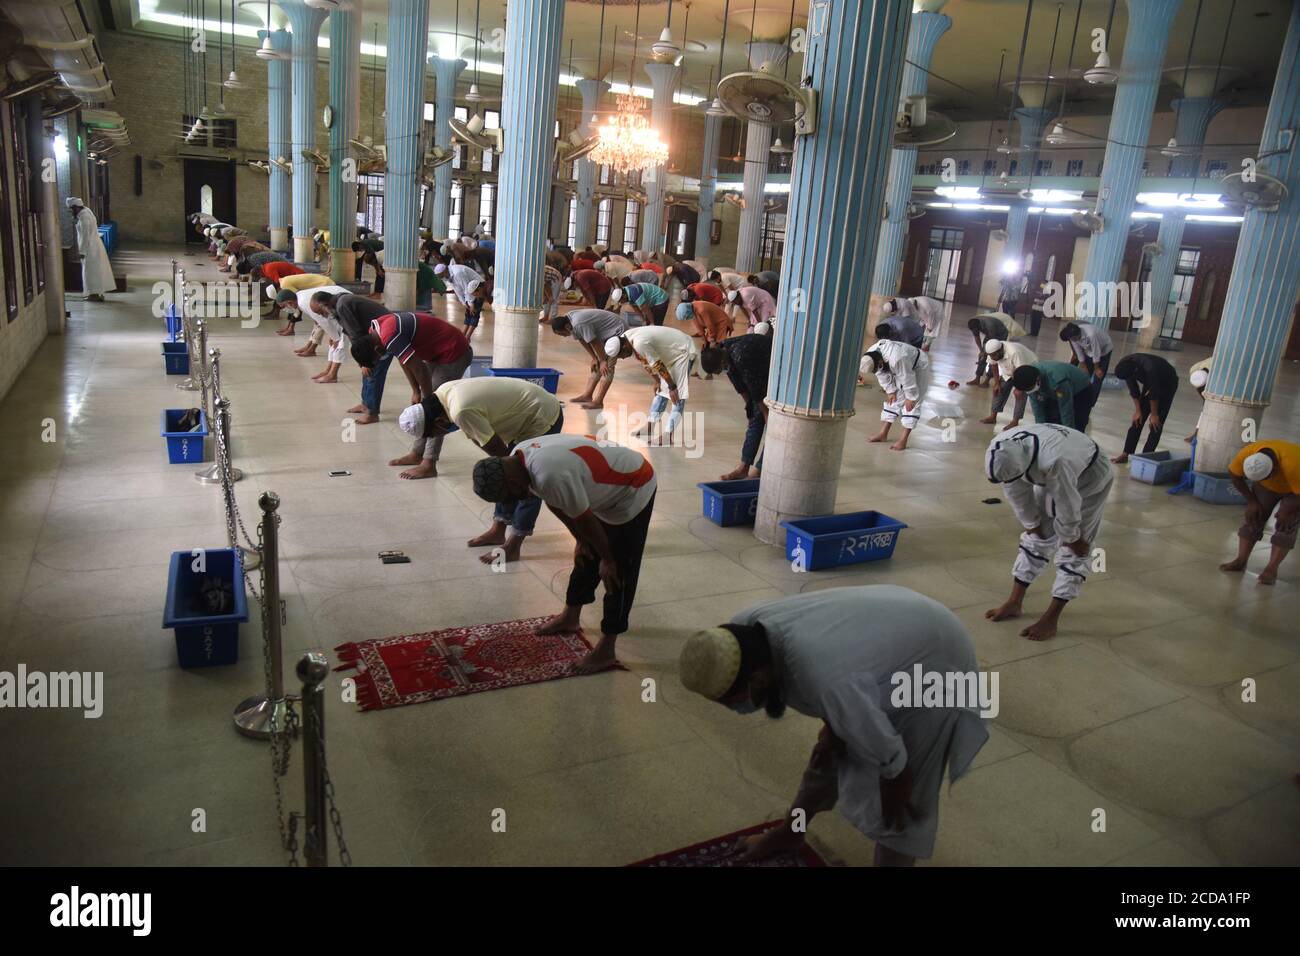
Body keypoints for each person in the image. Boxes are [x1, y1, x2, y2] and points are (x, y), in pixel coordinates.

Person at [678, 586, 988, 866]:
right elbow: (837, 690)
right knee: (824, 760)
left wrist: (895, 782)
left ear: (758, 679)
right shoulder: (742, 632)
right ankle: (791, 832)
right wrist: (834, 731)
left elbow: (893, 762)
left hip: (936, 662)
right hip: (886, 633)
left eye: (734, 700)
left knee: (899, 812)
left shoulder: (823, 678)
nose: (735, 708)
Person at [471, 433, 656, 674]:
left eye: (511, 498)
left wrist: (608, 559)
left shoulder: (548, 474)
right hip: (602, 487)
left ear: (514, 484)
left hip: (632, 486)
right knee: (586, 552)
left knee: (618, 571)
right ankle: (571, 617)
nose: (517, 501)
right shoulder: (522, 457)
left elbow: (586, 519)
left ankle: (607, 648)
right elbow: (554, 501)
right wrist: (579, 539)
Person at [400, 378, 563, 564]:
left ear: (438, 421)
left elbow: (498, 451)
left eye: (433, 433)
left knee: (527, 478)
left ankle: (514, 545)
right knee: (504, 473)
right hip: (523, 414)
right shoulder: (443, 393)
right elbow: (481, 438)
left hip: (541, 415)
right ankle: (498, 530)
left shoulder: (460, 411)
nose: (436, 436)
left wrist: (513, 471)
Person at [984, 424, 1114, 640]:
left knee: (1076, 549)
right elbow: (1014, 488)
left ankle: (1051, 618)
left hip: (1090, 474)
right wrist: (1031, 524)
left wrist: (1072, 538)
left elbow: (1067, 504)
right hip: (1046, 466)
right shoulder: (1001, 449)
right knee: (1036, 537)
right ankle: (1014, 602)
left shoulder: (1056, 462)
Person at [351, 310, 472, 477]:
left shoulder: (389, 335)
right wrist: (416, 390)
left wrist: (429, 402)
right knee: (425, 405)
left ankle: (429, 463)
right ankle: (417, 454)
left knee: (437, 408)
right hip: (436, 352)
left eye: (377, 360)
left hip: (454, 352)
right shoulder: (375, 332)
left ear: (378, 350)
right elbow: (404, 359)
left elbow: (419, 369)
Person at [1220, 441, 1299, 586]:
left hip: (1296, 491)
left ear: (1275, 468)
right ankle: (1241, 560)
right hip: (1266, 487)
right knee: (1253, 516)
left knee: (1286, 524)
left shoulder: (1294, 464)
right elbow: (1234, 474)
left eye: (1267, 476)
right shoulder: (1247, 454)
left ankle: (1271, 568)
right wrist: (1251, 501)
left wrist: (1288, 511)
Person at [606, 324, 697, 443]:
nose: (622, 358)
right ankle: (649, 428)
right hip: (669, 353)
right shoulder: (625, 339)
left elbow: (657, 364)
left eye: (621, 355)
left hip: (682, 350)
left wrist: (672, 386)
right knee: (661, 391)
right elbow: (644, 361)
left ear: (624, 346)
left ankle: (667, 436)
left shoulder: (639, 343)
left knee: (677, 395)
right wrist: (658, 381)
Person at [311, 291, 392, 423]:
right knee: (367, 372)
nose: (323, 316)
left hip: (386, 336)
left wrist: (365, 362)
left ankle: (372, 413)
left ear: (325, 304)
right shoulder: (339, 304)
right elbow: (350, 332)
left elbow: (357, 335)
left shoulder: (343, 305)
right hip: (373, 338)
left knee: (373, 372)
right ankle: (366, 404)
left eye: (321, 312)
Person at [701, 331, 772, 480]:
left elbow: (755, 390)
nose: (719, 373)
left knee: (772, 425)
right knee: (755, 419)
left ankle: (759, 469)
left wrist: (766, 414)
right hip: (759, 374)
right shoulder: (724, 351)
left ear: (721, 363)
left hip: (774, 371)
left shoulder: (740, 355)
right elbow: (740, 386)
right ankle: (743, 467)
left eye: (718, 371)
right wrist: (750, 409)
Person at [550, 308, 642, 409]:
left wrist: (602, 361)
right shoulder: (569, 320)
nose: (562, 336)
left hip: (617, 330)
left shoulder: (578, 323)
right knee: (597, 364)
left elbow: (595, 343)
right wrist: (594, 358)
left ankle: (599, 401)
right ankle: (587, 395)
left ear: (566, 327)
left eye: (561, 333)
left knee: (607, 367)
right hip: (606, 333)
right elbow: (582, 339)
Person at [860, 339, 931, 451]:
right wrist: (890, 391)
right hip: (901, 365)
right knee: (894, 399)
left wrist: (910, 397)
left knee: (912, 404)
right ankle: (883, 434)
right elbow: (880, 373)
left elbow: (907, 378)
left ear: (879, 362)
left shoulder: (897, 358)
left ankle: (903, 440)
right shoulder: (871, 355)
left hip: (918, 364)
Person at [1111, 353, 1179, 464]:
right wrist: (1138, 410)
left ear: (1135, 370)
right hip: (1150, 383)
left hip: (1168, 383)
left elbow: (1153, 393)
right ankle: (1126, 453)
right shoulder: (1125, 365)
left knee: (1156, 424)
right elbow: (1134, 390)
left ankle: (1145, 457)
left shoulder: (1150, 368)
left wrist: (1154, 414)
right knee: (1137, 420)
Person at [280, 285, 350, 382]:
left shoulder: (304, 303)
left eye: (283, 306)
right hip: (334, 305)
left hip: (344, 304)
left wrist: (335, 337)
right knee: (334, 342)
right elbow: (323, 320)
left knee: (341, 341)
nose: (284, 309)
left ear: (290, 302)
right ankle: (328, 371)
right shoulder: (300, 298)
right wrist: (333, 336)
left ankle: (333, 375)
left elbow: (324, 320)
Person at [1011, 361, 1095, 433]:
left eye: (1030, 389)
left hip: (1081, 390)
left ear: (1037, 380)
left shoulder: (1057, 381)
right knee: (1051, 420)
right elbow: (1037, 408)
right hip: (1051, 390)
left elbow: (1066, 409)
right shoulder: (1028, 380)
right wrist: (1040, 430)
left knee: (1077, 424)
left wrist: (1069, 434)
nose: (1030, 392)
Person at [979, 339, 1037, 428]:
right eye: (991, 356)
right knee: (999, 389)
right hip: (1010, 368)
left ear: (1000, 350)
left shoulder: (1014, 352)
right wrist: (997, 383)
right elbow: (993, 365)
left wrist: (1019, 389)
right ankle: (993, 417)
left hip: (1026, 367)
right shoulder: (992, 352)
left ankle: (1015, 421)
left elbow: (1021, 372)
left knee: (1020, 395)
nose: (993, 357)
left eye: (994, 355)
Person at [66, 198, 114, 302]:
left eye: (71, 209)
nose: (71, 212)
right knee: (95, 271)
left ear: (76, 207)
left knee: (90, 272)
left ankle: (94, 294)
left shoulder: (84, 217)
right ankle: (96, 293)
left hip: (90, 248)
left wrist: (82, 252)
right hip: (93, 247)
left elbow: (85, 236)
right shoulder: (87, 211)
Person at [1060, 321, 1114, 406]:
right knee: (1084, 376)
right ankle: (1080, 398)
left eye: (1074, 338)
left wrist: (1097, 368)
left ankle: (1090, 403)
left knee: (1098, 377)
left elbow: (1096, 352)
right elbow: (1078, 351)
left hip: (1104, 350)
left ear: (1078, 334)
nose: (1073, 340)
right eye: (1072, 339)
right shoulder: (1072, 336)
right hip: (1089, 351)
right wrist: (1083, 366)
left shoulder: (1091, 334)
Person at [967, 312, 1025, 386]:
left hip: (1000, 335)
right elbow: (976, 337)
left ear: (979, 325)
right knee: (982, 356)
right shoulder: (973, 324)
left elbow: (992, 342)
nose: (976, 331)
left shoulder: (989, 325)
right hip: (989, 335)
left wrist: (985, 353)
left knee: (994, 357)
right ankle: (977, 378)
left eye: (977, 330)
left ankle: (987, 380)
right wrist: (981, 350)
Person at [443, 262, 488, 339]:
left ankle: (467, 337)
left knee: (474, 314)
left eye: (440, 275)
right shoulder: (450, 275)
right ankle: (462, 336)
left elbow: (468, 288)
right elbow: (458, 290)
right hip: (471, 291)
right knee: (468, 314)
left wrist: (471, 303)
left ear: (444, 271)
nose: (441, 277)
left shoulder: (458, 273)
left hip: (478, 288)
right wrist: (465, 303)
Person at [1186, 357, 1212, 443]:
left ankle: (1198, 434)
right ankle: (1197, 434)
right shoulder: (1194, 370)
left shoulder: (1218, 374)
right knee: (1206, 406)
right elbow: (1198, 387)